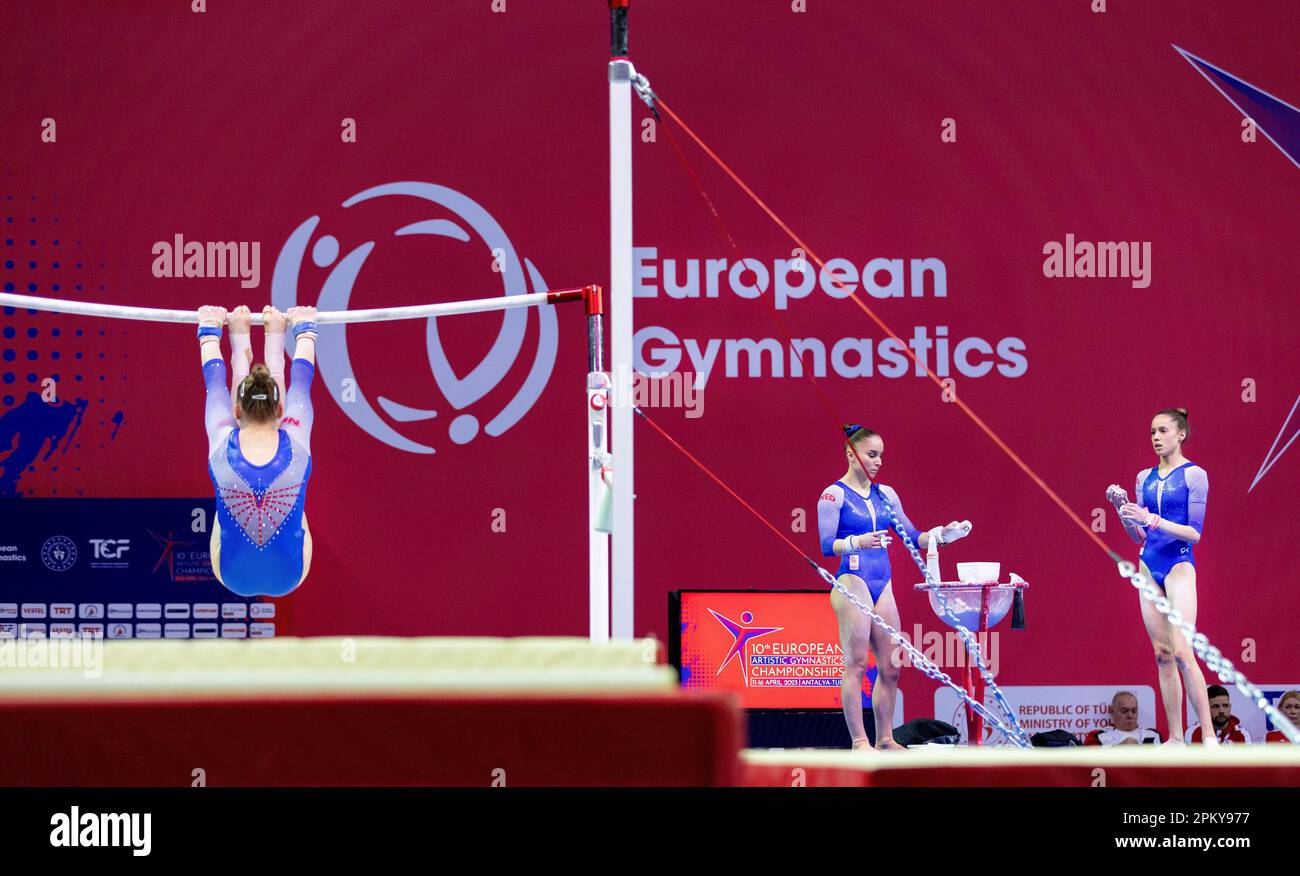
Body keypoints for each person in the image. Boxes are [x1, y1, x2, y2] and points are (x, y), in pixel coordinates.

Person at [818, 424, 972, 751]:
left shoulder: (887, 495)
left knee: (890, 668)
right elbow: (826, 544)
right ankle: (860, 741)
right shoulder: (833, 495)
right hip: (852, 583)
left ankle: (885, 739)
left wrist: (945, 534)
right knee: (857, 664)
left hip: (882, 585)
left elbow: (914, 536)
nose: (878, 462)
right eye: (871, 455)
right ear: (851, 453)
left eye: (881, 456)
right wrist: (858, 541)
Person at [1106, 407, 1216, 746]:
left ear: (1181, 434)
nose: (1156, 437)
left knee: (1183, 653)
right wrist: (1122, 509)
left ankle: (1209, 736)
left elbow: (1194, 533)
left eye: (1164, 431)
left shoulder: (1195, 475)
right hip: (1147, 564)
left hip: (1179, 565)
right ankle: (1176, 738)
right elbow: (1137, 536)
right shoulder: (1144, 478)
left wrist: (1152, 520)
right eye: (1153, 431)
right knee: (1162, 655)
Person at [198, 303, 318, 597]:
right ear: (279, 408)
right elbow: (301, 383)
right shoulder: (296, 441)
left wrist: (209, 330)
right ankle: (267, 339)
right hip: (291, 575)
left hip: (231, 574)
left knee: (230, 485)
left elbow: (214, 385)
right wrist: (304, 329)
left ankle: (242, 345)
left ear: (238, 409)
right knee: (291, 491)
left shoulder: (223, 440)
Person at [1082, 691, 1161, 745]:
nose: (1130, 715)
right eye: (1124, 711)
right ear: (1112, 711)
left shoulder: (1153, 735)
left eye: (1134, 711)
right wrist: (1119, 748)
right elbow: (1088, 765)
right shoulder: (1098, 736)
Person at [1185, 685, 1251, 744]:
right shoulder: (1193, 732)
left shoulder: (1242, 734)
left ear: (1229, 707)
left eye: (1225, 706)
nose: (1221, 711)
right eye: (1216, 706)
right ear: (1206, 709)